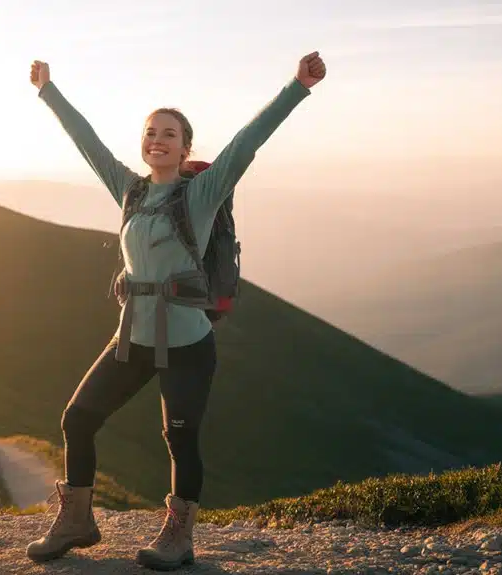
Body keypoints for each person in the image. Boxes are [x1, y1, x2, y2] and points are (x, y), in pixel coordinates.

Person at [24, 52, 326, 570]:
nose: (157, 140)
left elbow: (246, 143)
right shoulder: (131, 191)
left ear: (186, 148)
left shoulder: (201, 194)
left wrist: (297, 86)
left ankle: (180, 537)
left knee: (180, 437)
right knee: (78, 418)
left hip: (187, 342)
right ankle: (76, 522)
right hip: (133, 337)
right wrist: (48, 91)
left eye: (169, 134)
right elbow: (87, 143)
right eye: (150, 132)